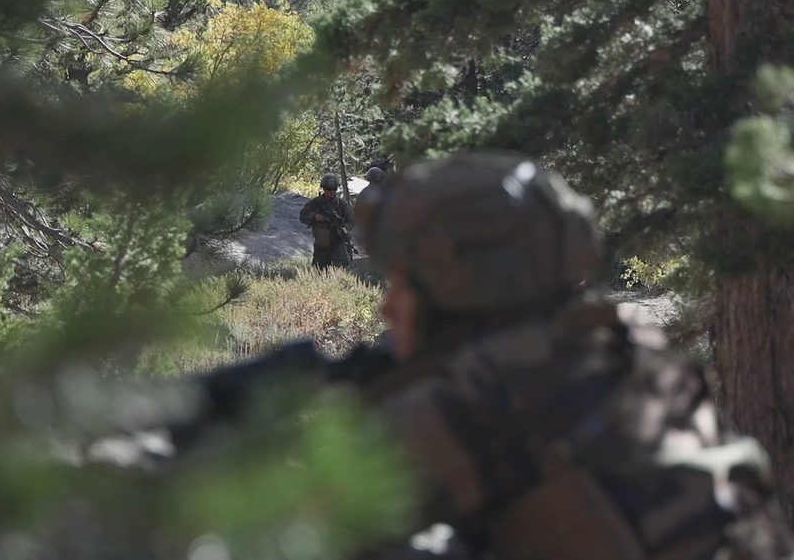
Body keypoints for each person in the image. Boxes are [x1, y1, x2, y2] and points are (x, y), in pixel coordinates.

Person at [349, 151, 794, 560]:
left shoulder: (485, 397)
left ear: (453, 289)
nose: (387, 308)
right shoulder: (623, 347)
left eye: (401, 286)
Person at [300, 173, 355, 270]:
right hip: (321, 245)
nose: (332, 192)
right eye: (329, 189)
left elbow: (351, 221)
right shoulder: (315, 203)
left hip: (338, 244)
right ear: (324, 189)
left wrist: (343, 229)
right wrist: (315, 217)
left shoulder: (342, 205)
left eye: (334, 189)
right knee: (319, 272)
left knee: (342, 270)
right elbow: (302, 216)